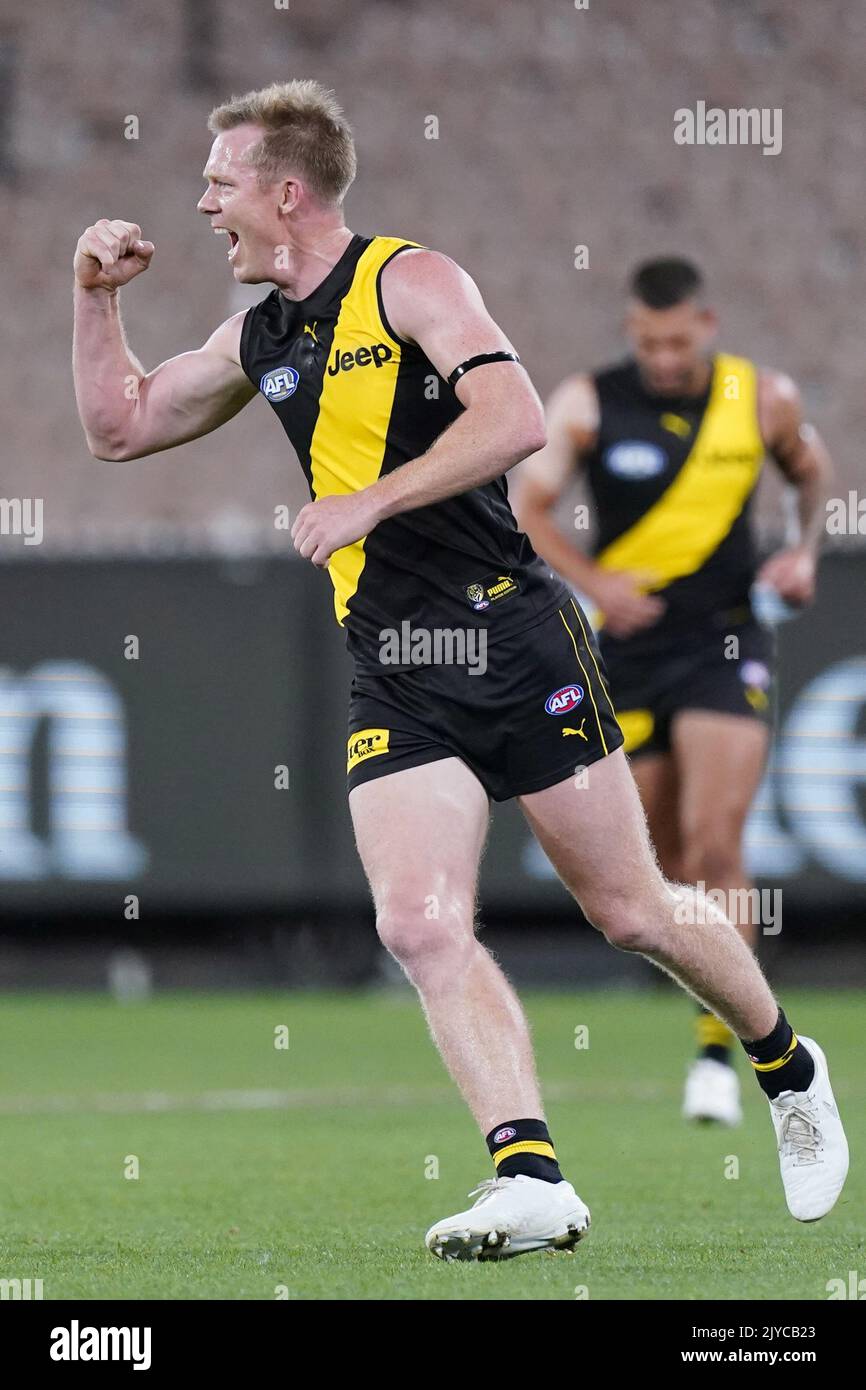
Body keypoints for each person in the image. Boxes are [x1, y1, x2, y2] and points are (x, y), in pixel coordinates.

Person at [72, 85, 847, 1261]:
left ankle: (788, 1066)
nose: (201, 202)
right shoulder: (255, 338)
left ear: (287, 192)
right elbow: (119, 427)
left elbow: (515, 414)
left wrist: (368, 500)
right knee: (419, 920)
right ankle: (527, 1173)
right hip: (391, 663)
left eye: (219, 182)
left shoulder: (409, 278)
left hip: (512, 633)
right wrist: (92, 298)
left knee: (630, 910)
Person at [513, 256, 834, 1129]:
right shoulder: (585, 401)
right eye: (646, 341)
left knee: (715, 838)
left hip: (726, 641)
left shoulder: (762, 397)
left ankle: (717, 1055)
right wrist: (594, 584)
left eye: (675, 339)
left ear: (708, 323)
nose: (661, 356)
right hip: (627, 650)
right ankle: (714, 1016)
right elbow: (529, 507)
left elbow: (812, 472)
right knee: (654, 869)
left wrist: (802, 552)